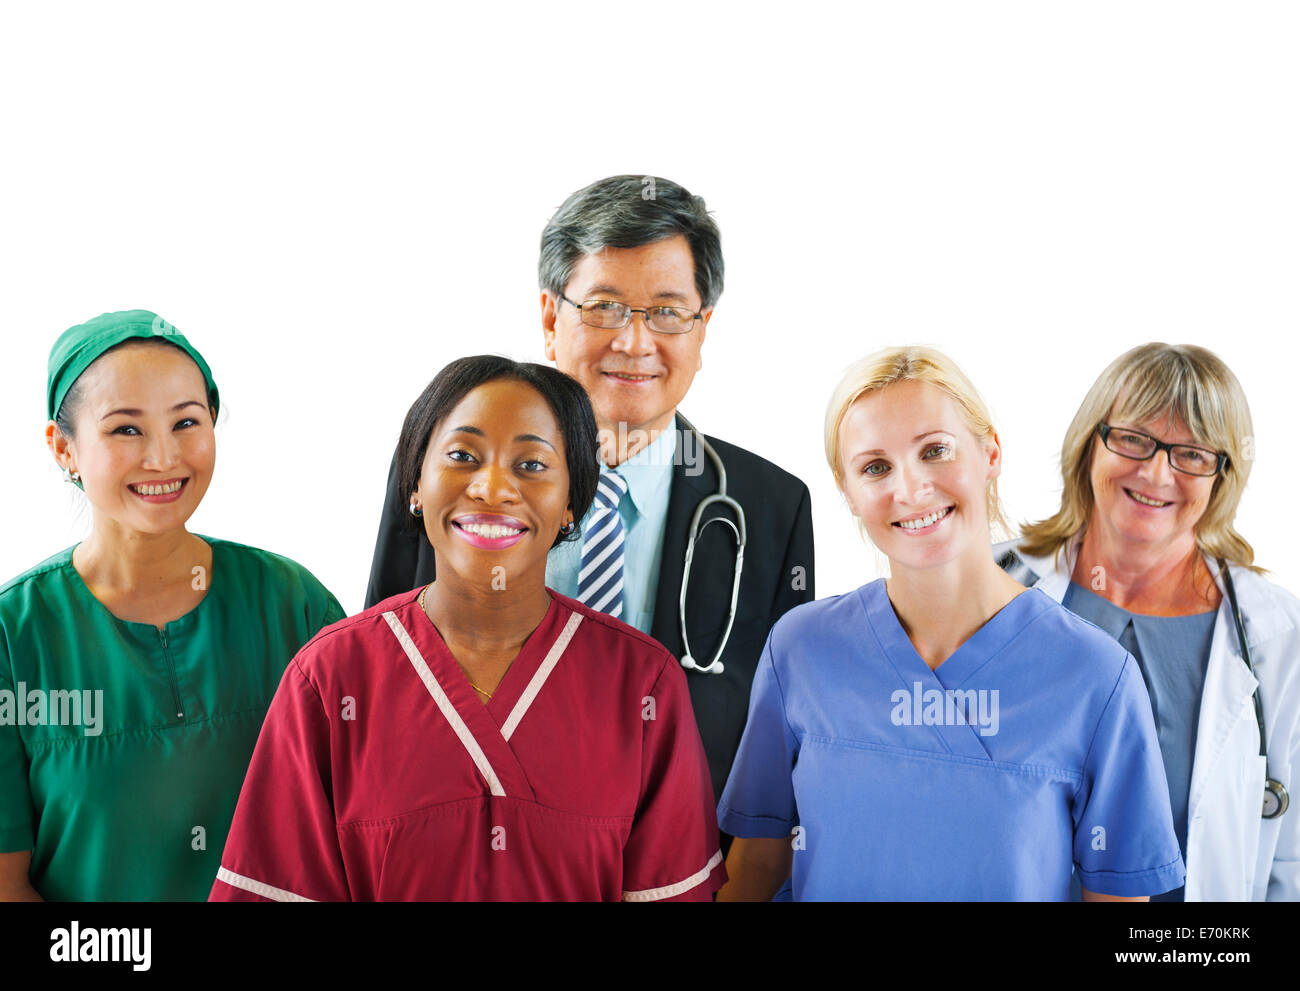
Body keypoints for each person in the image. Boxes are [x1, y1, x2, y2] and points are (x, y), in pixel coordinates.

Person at [365, 175, 815, 804]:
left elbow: (779, 744)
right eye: (604, 307)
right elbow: (380, 670)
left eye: (667, 312)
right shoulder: (448, 472)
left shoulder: (770, 507)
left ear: (702, 329)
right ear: (551, 318)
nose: (634, 342)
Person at [212, 356, 723, 901]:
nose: (492, 488)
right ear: (415, 483)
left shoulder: (643, 684)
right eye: (462, 456)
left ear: (571, 503)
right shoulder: (329, 678)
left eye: (532, 464)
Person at [716, 346, 1184, 901]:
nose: (911, 489)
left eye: (935, 451)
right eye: (875, 467)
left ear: (991, 453)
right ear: (848, 492)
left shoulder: (1096, 677)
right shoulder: (801, 650)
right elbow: (755, 868)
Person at [0, 310, 344, 901]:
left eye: (186, 422)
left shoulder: (294, 606)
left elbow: (362, 828)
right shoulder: (15, 636)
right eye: (125, 429)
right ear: (63, 447)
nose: (163, 458)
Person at [996, 343, 1300, 901]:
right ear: (1090, 443)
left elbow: (1290, 866)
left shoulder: (1278, 637)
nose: (1157, 473)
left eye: (1192, 454)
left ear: (1222, 475)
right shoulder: (992, 584)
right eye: (1134, 439)